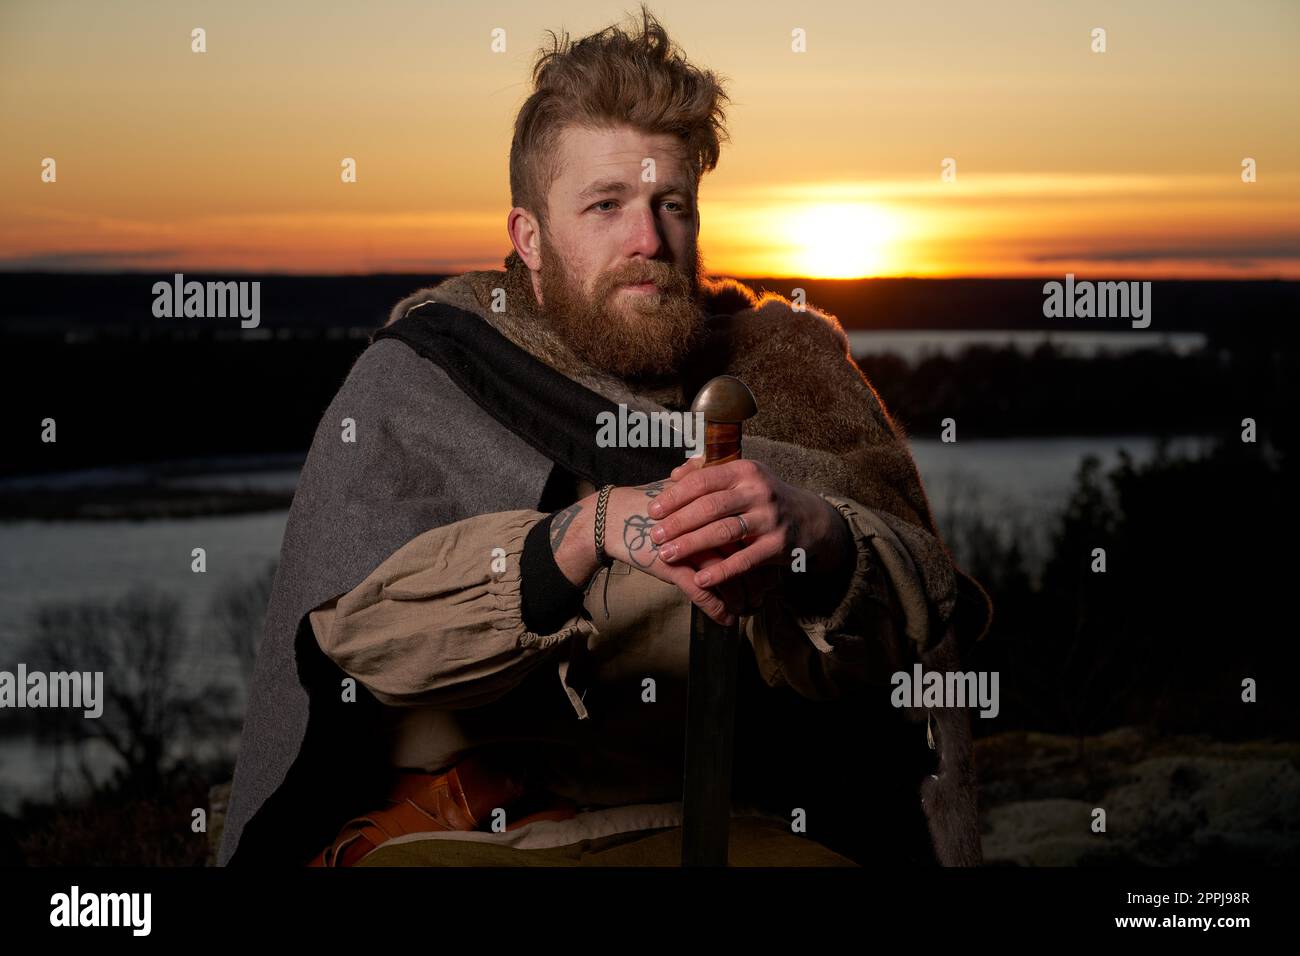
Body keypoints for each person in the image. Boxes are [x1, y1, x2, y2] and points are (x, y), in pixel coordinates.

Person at [218, 5, 992, 868]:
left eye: (672, 204)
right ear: (530, 239)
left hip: (745, 830)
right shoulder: (427, 375)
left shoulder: (790, 369)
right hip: (459, 834)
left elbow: (921, 614)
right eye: (605, 204)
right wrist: (579, 538)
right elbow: (355, 648)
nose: (648, 240)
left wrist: (818, 539)